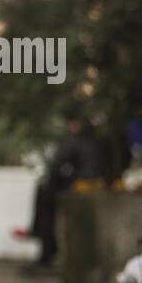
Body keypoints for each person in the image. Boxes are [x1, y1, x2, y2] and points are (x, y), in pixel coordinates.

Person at [22, 113, 105, 274]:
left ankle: (44, 247)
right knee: (46, 194)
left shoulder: (76, 139)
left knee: (45, 196)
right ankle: (42, 240)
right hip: (91, 184)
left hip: (83, 187)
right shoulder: (95, 136)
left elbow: (57, 165)